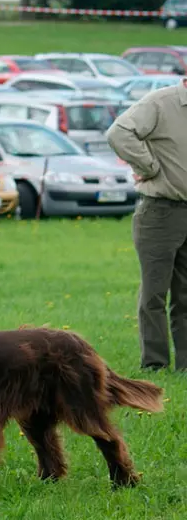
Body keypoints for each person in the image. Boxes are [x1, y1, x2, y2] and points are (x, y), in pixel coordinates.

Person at [106, 80, 187, 372]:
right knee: (154, 294)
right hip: (160, 213)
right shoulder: (160, 103)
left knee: (185, 295)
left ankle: (186, 365)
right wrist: (148, 166)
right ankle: (155, 364)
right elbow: (118, 133)